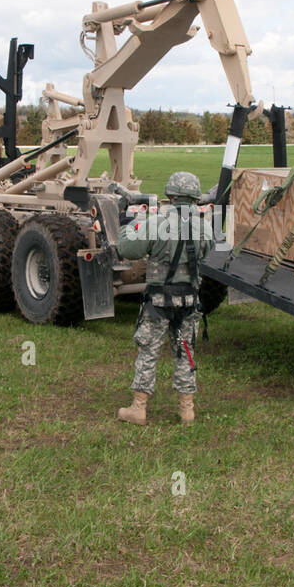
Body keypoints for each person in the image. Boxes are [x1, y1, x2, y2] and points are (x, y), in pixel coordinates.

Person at [115, 171, 214, 426]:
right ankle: (187, 411)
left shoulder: (155, 222)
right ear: (194, 197)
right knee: (185, 353)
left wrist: (130, 224)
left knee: (148, 352)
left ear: (170, 194)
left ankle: (139, 409)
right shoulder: (204, 226)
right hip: (189, 302)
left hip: (158, 302)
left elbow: (126, 248)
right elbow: (208, 248)